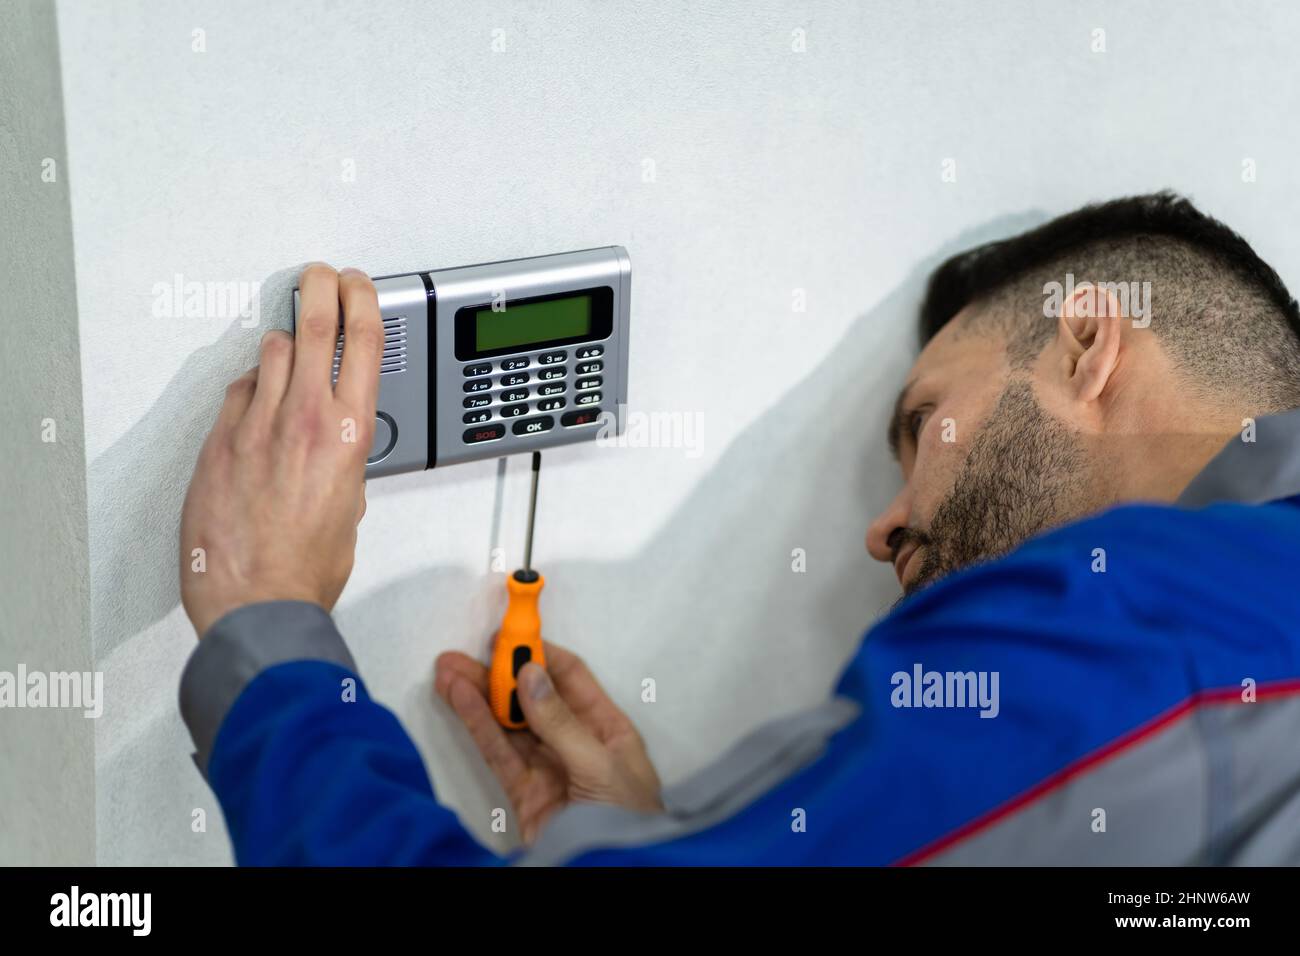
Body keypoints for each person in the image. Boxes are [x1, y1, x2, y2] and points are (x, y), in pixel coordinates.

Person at [179, 193, 1300, 864]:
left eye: (923, 424)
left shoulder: (1132, 626)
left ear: (1085, 347)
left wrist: (264, 622)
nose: (884, 525)